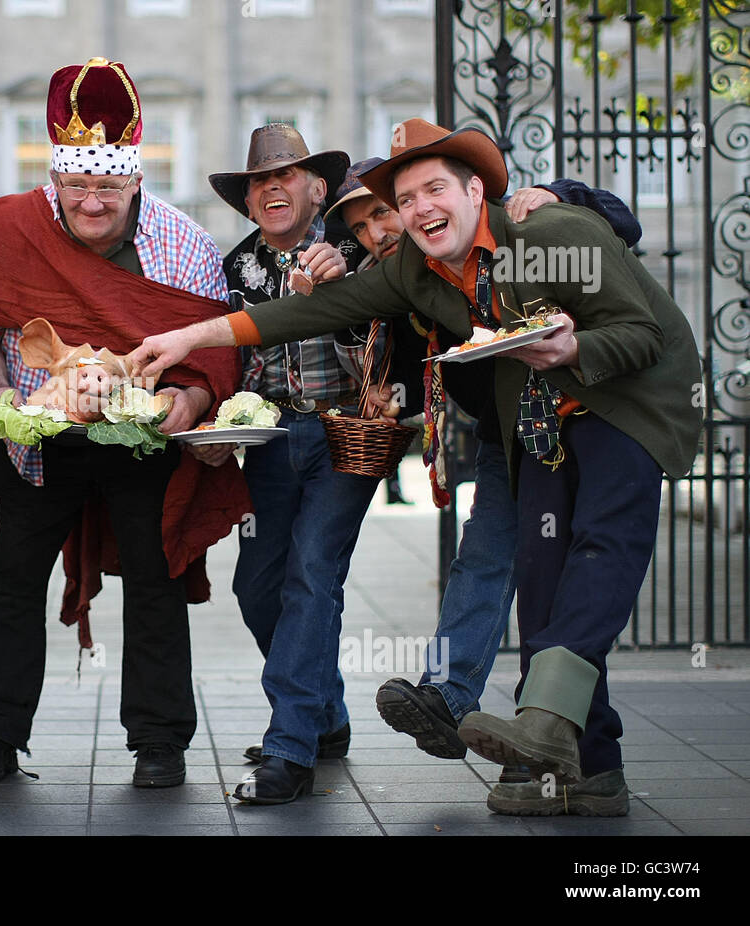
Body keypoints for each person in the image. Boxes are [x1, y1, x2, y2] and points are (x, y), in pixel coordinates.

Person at [131, 119, 701, 817]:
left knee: (600, 548)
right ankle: (590, 769)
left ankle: (542, 723)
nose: (419, 208)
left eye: (435, 189)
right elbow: (303, 315)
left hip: (627, 398)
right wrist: (184, 337)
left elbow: (641, 330)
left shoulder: (550, 234)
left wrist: (573, 345)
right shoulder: (412, 267)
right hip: (535, 412)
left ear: (473, 190)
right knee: (541, 575)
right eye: (406, 198)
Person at [0, 58, 346, 788]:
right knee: (11, 578)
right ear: (55, 180)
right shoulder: (8, 225)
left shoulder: (186, 244)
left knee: (156, 578)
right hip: (35, 440)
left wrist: (183, 408)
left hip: (143, 441)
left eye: (107, 187)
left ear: (136, 178)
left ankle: (159, 741)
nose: (92, 204)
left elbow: (212, 365)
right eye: (77, 187)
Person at [324, 159, 642, 768]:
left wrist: (561, 191)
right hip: (508, 430)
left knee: (576, 575)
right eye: (362, 226)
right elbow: (412, 366)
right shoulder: (393, 279)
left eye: (384, 212)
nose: (380, 231)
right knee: (497, 560)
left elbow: (619, 225)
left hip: (592, 413)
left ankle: (558, 742)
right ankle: (460, 701)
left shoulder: (505, 228)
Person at [192, 124, 368, 805]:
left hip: (343, 439)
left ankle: (290, 745)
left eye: (285, 175)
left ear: (316, 188)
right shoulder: (236, 268)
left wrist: (343, 279)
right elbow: (233, 363)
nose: (271, 187)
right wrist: (218, 420)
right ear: (248, 200)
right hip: (269, 442)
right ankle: (325, 715)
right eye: (260, 181)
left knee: (312, 576)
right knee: (257, 588)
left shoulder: (351, 245)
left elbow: (387, 329)